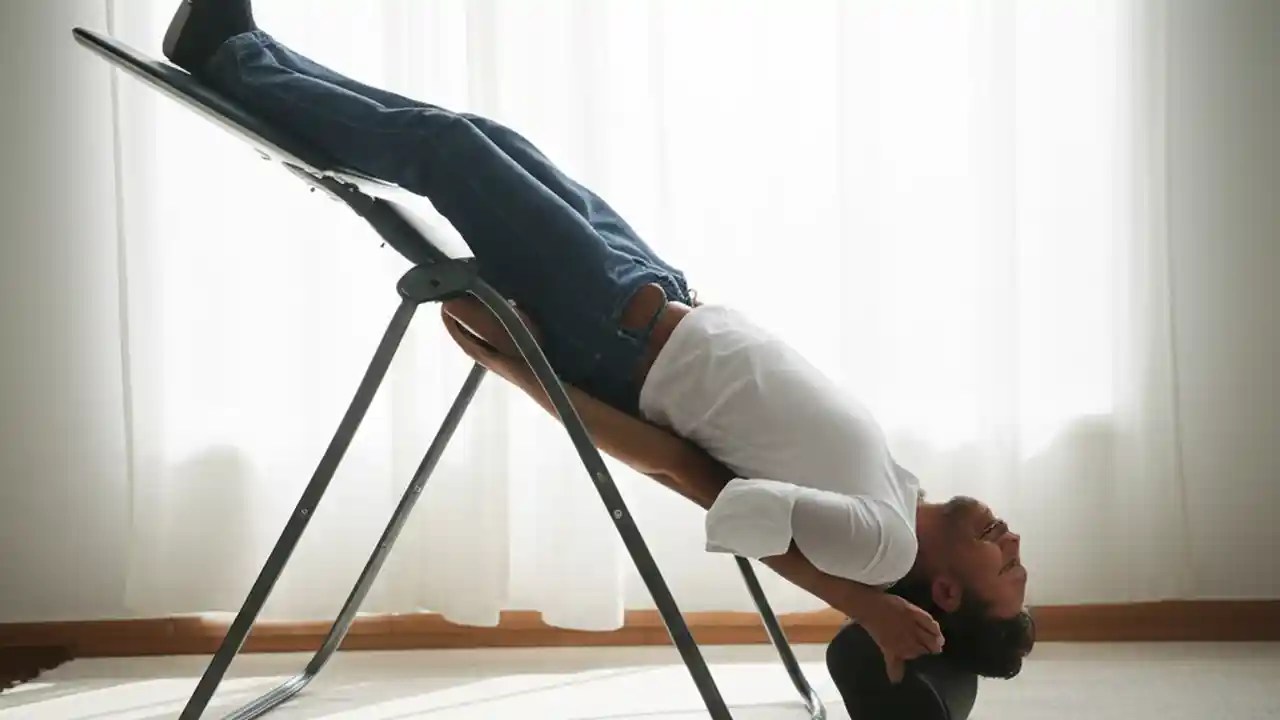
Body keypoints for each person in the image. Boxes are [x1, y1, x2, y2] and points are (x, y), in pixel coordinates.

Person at [162, 0, 1034, 683]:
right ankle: (248, 51)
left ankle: (229, 56)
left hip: (611, 325)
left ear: (948, 592)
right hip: (648, 290)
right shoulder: (897, 492)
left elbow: (730, 510)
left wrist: (864, 606)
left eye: (1009, 570)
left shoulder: (880, 542)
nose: (1014, 542)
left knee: (452, 148)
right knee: (475, 139)